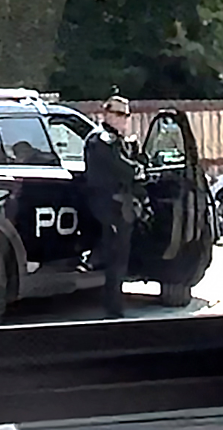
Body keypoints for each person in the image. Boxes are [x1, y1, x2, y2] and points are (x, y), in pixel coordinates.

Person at [82, 95, 142, 318]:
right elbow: (123, 169)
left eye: (126, 115)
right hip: (108, 205)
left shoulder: (117, 139)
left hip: (117, 205)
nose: (123, 119)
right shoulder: (102, 140)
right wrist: (138, 169)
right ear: (106, 114)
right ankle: (113, 308)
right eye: (118, 114)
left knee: (119, 257)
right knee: (116, 257)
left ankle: (114, 303)